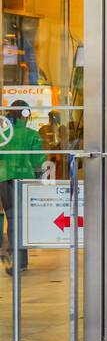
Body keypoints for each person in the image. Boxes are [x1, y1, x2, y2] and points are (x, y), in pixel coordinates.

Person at [0, 101, 45, 274]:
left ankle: (16, 261)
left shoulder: (4, 136)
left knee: (12, 220)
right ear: (25, 114)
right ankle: (21, 261)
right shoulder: (32, 135)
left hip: (4, 180)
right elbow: (38, 161)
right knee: (22, 220)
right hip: (25, 181)